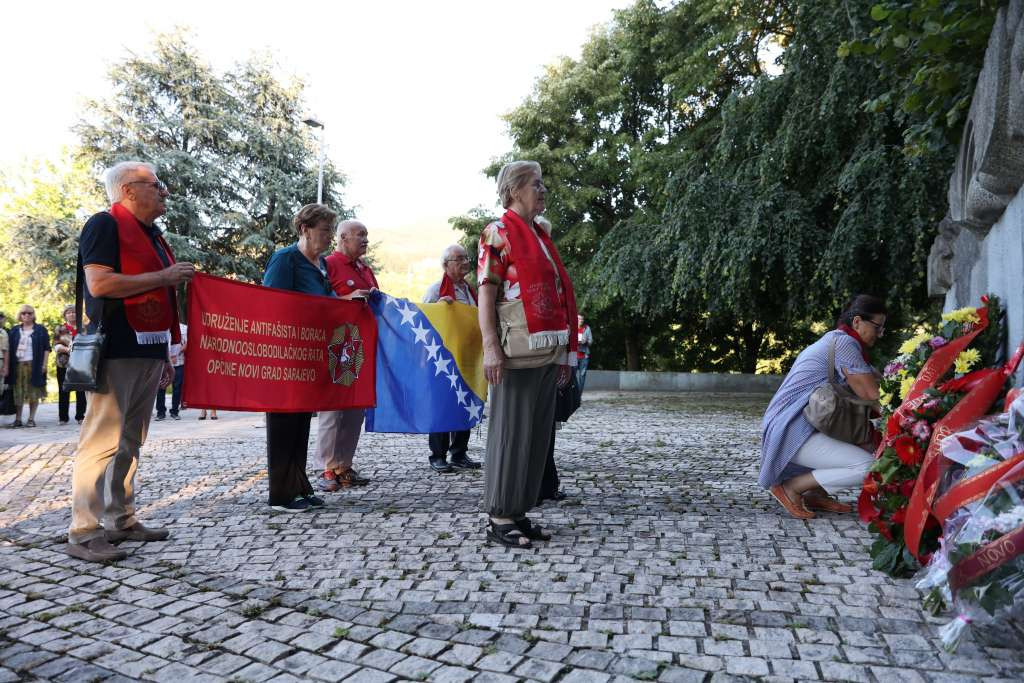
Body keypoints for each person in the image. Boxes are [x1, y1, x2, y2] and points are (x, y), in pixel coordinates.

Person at [67, 160, 194, 563]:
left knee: (131, 441)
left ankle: (119, 519)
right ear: (127, 189)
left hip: (147, 347)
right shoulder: (104, 224)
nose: (164, 192)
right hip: (116, 346)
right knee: (102, 441)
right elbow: (100, 283)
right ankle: (83, 531)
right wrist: (164, 277)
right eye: (156, 184)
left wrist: (166, 353)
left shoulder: (151, 234)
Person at [478, 161, 578, 548]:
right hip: (515, 350)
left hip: (545, 349)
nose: (543, 191)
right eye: (536, 184)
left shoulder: (539, 236)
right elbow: (487, 291)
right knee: (510, 433)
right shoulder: (498, 232)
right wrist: (490, 347)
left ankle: (518, 509)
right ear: (515, 190)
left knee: (535, 436)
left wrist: (566, 353)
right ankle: (499, 514)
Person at [759, 294, 886, 519]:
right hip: (793, 431)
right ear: (857, 322)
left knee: (864, 443)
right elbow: (872, 395)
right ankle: (792, 487)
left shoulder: (838, 340)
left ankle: (815, 493)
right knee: (870, 466)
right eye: (878, 327)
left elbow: (876, 380)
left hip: (798, 424)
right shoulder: (845, 344)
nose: (880, 334)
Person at [263, 203, 338, 511]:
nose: (330, 237)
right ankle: (280, 494)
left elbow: (328, 302)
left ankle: (299, 485)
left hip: (310, 355)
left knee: (301, 423)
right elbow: (272, 304)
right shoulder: (285, 260)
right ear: (305, 229)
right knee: (283, 424)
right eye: (325, 231)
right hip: (286, 354)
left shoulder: (320, 265)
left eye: (332, 231)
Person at [315, 220, 377, 492]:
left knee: (355, 409)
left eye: (366, 235)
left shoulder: (364, 268)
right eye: (360, 235)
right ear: (342, 237)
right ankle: (326, 468)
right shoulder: (327, 265)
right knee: (333, 410)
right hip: (335, 345)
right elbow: (318, 301)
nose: (365, 239)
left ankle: (344, 465)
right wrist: (348, 298)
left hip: (359, 347)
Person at [422, 243, 482, 474]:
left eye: (466, 258)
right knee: (442, 407)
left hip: (468, 357)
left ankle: (459, 453)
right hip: (444, 359)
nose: (465, 261)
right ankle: (437, 455)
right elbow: (424, 319)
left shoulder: (469, 290)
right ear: (446, 265)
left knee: (465, 404)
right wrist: (439, 308)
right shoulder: (436, 289)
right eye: (459, 258)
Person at [7, 305, 50, 428]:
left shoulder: (41, 329)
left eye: (29, 313)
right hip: (17, 365)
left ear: (33, 315)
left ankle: (31, 419)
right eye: (23, 313)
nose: (26, 315)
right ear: (20, 315)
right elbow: (9, 350)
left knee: (34, 392)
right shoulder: (14, 330)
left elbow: (47, 349)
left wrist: (44, 364)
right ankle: (18, 419)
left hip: (35, 365)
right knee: (18, 393)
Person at [54, 304, 87, 425]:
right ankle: (63, 418)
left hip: (81, 363)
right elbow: (56, 346)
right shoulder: (60, 328)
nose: (72, 314)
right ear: (65, 315)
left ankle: (80, 416)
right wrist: (69, 350)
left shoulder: (84, 328)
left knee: (81, 390)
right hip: (63, 363)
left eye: (74, 312)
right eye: (69, 312)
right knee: (63, 390)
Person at [155, 322, 186, 421]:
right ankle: (160, 412)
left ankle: (174, 411)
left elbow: (186, 343)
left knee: (177, 388)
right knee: (161, 387)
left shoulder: (184, 328)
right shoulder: (160, 326)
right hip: (163, 363)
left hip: (178, 362)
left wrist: (176, 354)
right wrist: (167, 357)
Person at [577, 313, 593, 391]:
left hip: (584, 356)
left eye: (582, 319)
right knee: (572, 376)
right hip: (573, 356)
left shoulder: (587, 328)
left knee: (582, 376)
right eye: (579, 319)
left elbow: (591, 341)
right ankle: (574, 394)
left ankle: (579, 395)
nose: (581, 320)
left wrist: (586, 341)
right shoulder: (572, 328)